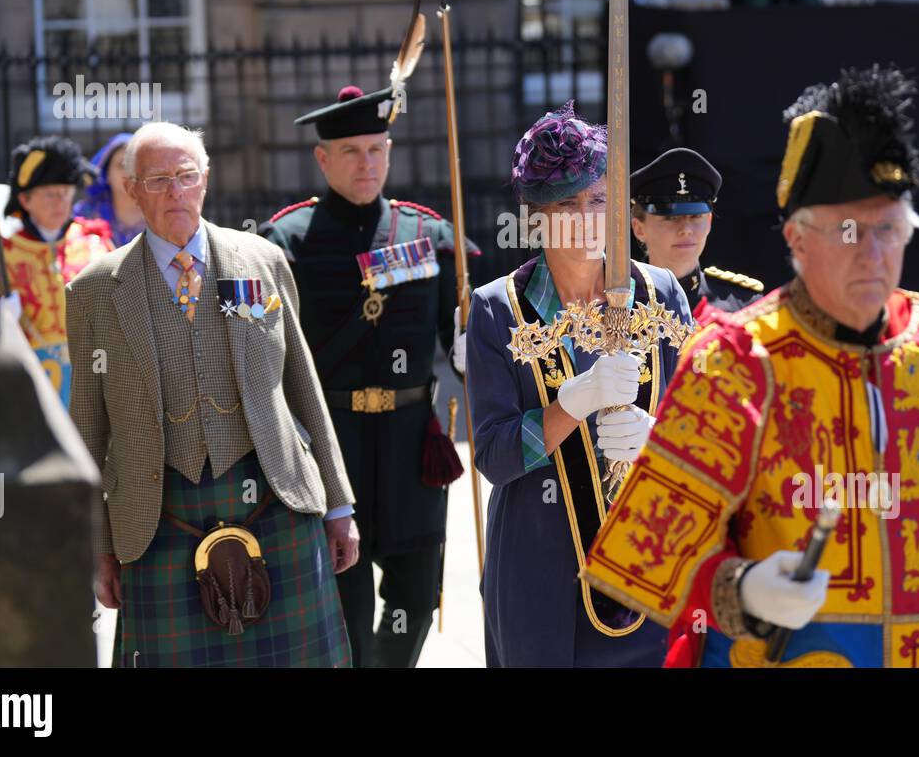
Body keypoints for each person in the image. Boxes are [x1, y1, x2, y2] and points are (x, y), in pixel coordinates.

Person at [585, 66, 919, 667]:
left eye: (890, 230)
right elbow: (647, 554)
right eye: (850, 232)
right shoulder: (732, 362)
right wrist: (739, 591)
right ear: (797, 239)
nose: (874, 255)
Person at [66, 121, 358, 667]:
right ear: (131, 190)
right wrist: (98, 543)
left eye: (186, 176)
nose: (176, 191)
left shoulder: (258, 263)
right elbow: (87, 427)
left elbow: (301, 382)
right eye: (157, 180)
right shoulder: (94, 292)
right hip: (158, 516)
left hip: (275, 496)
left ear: (206, 180)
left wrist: (338, 501)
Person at [466, 102, 693, 667]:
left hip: (649, 566)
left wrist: (658, 438)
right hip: (539, 576)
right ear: (536, 217)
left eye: (598, 199)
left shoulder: (660, 292)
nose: (588, 217)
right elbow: (494, 457)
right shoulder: (498, 309)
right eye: (567, 204)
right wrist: (572, 403)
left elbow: (704, 436)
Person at [260, 85, 475, 668]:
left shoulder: (427, 237)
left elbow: (462, 350)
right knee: (342, 614)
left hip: (411, 449)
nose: (367, 164)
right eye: (351, 151)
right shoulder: (285, 243)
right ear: (322, 158)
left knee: (415, 602)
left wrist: (466, 348)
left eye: (378, 149)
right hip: (330, 449)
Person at [1, 135, 114, 405]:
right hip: (31, 375)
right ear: (26, 200)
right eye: (51, 194)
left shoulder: (95, 243)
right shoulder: (5, 254)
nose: (60, 202)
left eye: (66, 193)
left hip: (92, 370)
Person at [631, 146, 764, 316]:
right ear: (639, 229)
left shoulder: (743, 305)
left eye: (696, 217)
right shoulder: (616, 304)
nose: (686, 229)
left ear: (709, 222)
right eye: (671, 218)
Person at [73, 132, 145, 246]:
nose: (130, 171)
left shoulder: (162, 212)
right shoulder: (85, 213)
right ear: (107, 174)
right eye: (122, 165)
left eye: (137, 164)